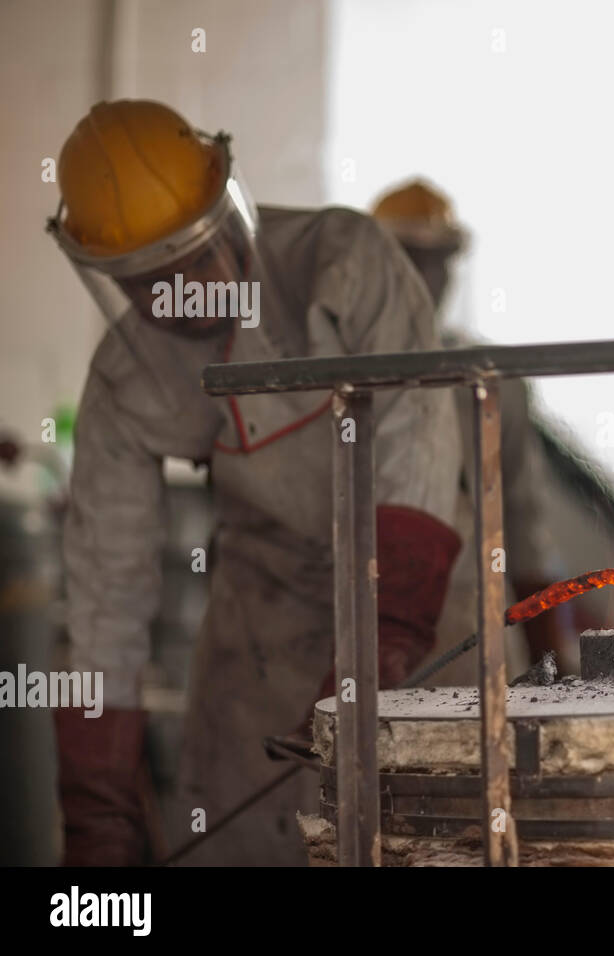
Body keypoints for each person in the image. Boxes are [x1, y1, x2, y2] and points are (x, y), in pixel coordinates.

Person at [47, 100, 464, 865]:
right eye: (155, 284)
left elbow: (418, 437)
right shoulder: (124, 380)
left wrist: (388, 633)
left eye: (198, 259)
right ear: (117, 282)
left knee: (432, 836)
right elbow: (107, 591)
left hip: (420, 593)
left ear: (229, 211)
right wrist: (96, 809)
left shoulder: (342, 259)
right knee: (238, 839)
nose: (191, 293)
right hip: (262, 615)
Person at [371, 181, 569, 677]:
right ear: (376, 264)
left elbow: (524, 529)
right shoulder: (338, 379)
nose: (428, 276)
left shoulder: (492, 380)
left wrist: (552, 661)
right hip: (356, 628)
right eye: (411, 257)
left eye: (439, 259)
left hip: (469, 633)